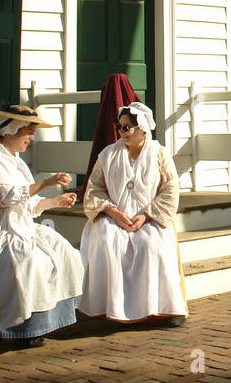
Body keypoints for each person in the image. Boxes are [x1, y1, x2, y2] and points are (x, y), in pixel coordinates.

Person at [0, 104, 85, 349]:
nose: (31, 138)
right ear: (11, 131)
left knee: (62, 250)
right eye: (28, 132)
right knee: (26, 258)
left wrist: (55, 201)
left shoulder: (14, 160)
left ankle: (38, 324)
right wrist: (46, 182)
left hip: (18, 225)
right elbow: (9, 197)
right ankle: (11, 328)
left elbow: (29, 204)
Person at [79, 102, 188, 325]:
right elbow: (94, 189)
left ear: (143, 128)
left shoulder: (160, 154)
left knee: (150, 245)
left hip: (149, 216)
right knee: (107, 240)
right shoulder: (108, 155)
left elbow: (170, 189)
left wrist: (146, 216)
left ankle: (165, 307)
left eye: (127, 128)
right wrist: (113, 212)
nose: (122, 132)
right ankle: (110, 307)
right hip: (114, 215)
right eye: (120, 127)